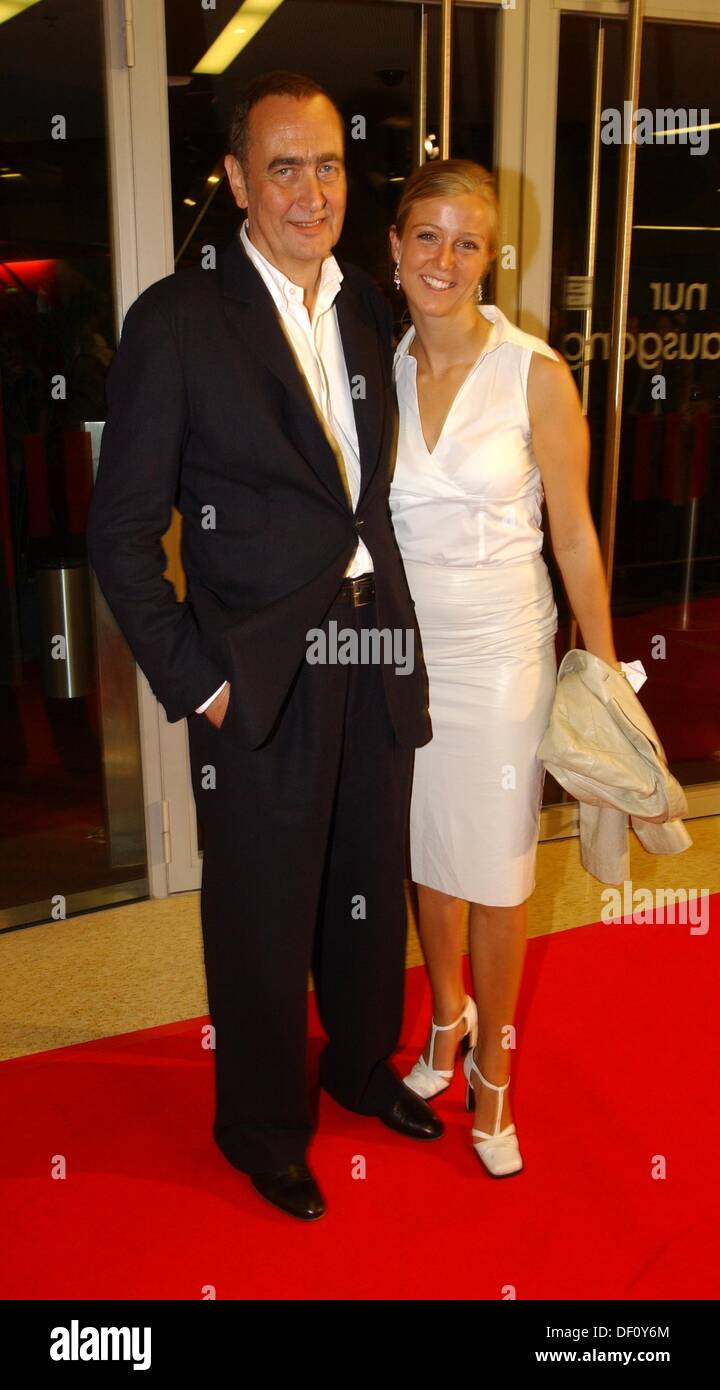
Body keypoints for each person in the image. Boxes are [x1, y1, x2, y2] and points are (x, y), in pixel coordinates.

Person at [86, 71, 442, 1223]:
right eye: (283, 165)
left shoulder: (368, 310)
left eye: (330, 163)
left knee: (362, 886)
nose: (312, 189)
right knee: (259, 907)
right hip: (259, 670)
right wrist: (203, 685)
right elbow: (121, 538)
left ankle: (357, 1065)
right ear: (237, 178)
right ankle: (262, 1123)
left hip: (366, 649)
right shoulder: (178, 319)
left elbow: (365, 499)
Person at [388, 160, 620, 1177]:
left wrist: (603, 664)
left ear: (491, 257)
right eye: (427, 236)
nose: (444, 259)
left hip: (503, 653)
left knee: (491, 872)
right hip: (405, 653)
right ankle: (444, 1019)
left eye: (467, 242)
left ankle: (494, 1076)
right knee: (425, 855)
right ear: (394, 246)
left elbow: (572, 534)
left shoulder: (535, 372)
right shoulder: (372, 367)